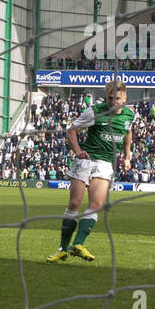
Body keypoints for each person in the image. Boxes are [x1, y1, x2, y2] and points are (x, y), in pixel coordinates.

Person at [47, 80, 134, 263]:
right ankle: (62, 249)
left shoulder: (129, 116)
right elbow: (72, 131)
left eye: (117, 98)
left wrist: (127, 157)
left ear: (125, 97)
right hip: (86, 161)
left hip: (104, 164)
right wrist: (78, 152)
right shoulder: (95, 111)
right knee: (74, 204)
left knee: (96, 204)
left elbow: (128, 134)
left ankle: (78, 245)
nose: (113, 102)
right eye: (110, 98)